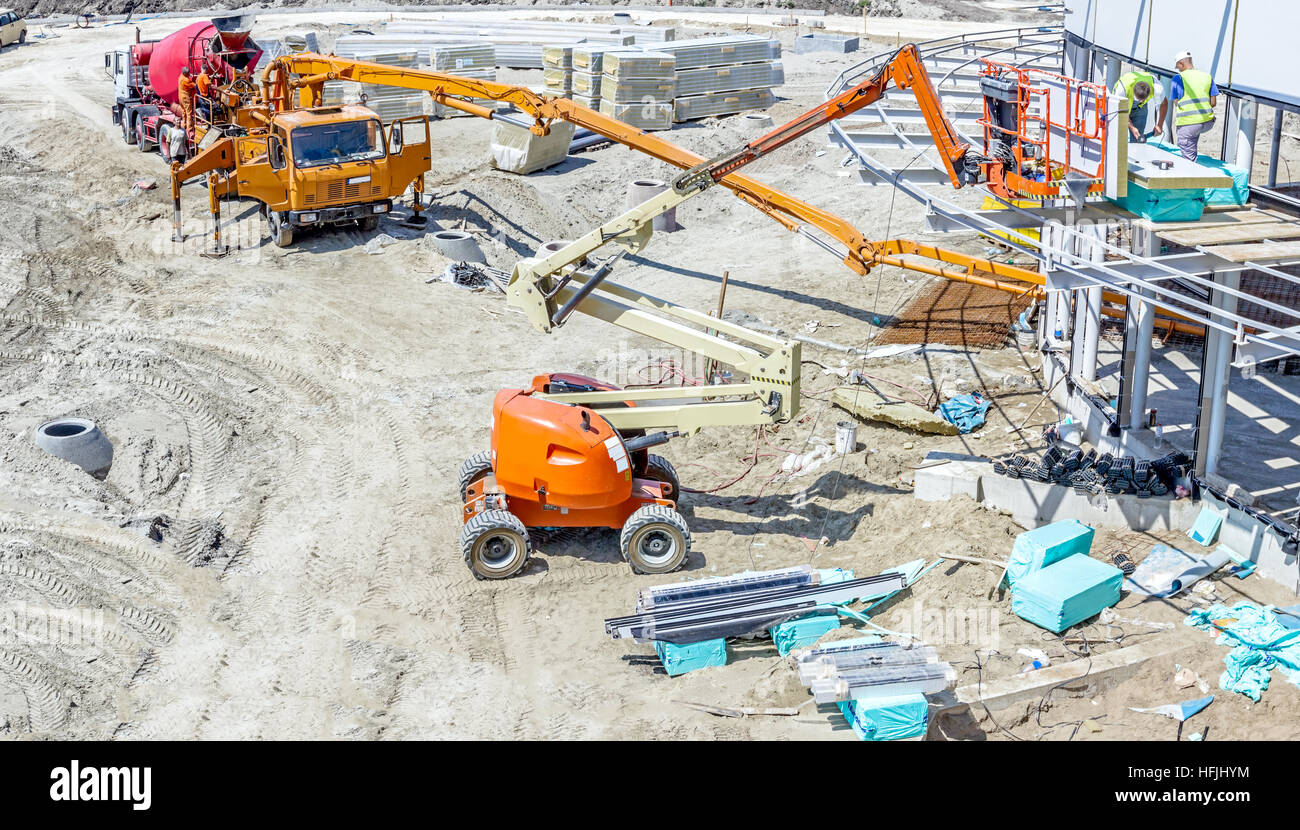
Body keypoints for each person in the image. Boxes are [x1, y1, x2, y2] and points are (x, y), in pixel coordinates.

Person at [1156, 50, 1218, 162]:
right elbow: (1213, 103)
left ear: (1181, 64)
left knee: (1188, 160)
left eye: (1178, 67)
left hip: (1188, 123)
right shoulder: (1207, 76)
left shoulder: (1178, 78)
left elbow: (1176, 102)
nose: (1178, 70)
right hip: (1207, 122)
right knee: (1192, 139)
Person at [1113, 70, 1156, 144]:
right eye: (1139, 99)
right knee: (1118, 136)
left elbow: (1164, 103)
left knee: (1137, 138)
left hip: (1140, 107)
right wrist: (1132, 127)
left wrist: (1159, 125)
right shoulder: (1121, 89)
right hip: (1122, 102)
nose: (1140, 101)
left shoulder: (1156, 86)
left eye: (1143, 100)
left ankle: (1135, 147)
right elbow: (1121, 112)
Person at [177, 66, 196, 138]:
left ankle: (184, 125)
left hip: (180, 97)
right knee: (189, 112)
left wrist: (189, 76)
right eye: (188, 73)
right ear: (186, 73)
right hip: (186, 98)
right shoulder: (186, 80)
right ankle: (189, 128)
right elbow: (194, 85)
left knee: (184, 111)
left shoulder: (180, 77)